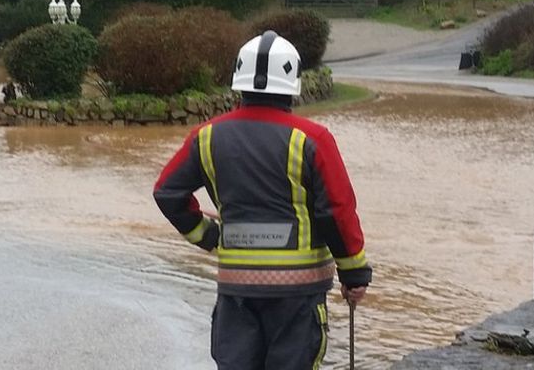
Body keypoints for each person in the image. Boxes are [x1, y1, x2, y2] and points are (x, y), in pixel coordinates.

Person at [153, 30, 371, 370]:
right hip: (297, 297)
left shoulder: (206, 137)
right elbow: (336, 211)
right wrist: (354, 272)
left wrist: (209, 236)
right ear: (292, 84)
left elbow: (167, 193)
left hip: (236, 292)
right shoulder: (312, 139)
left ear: (239, 82)